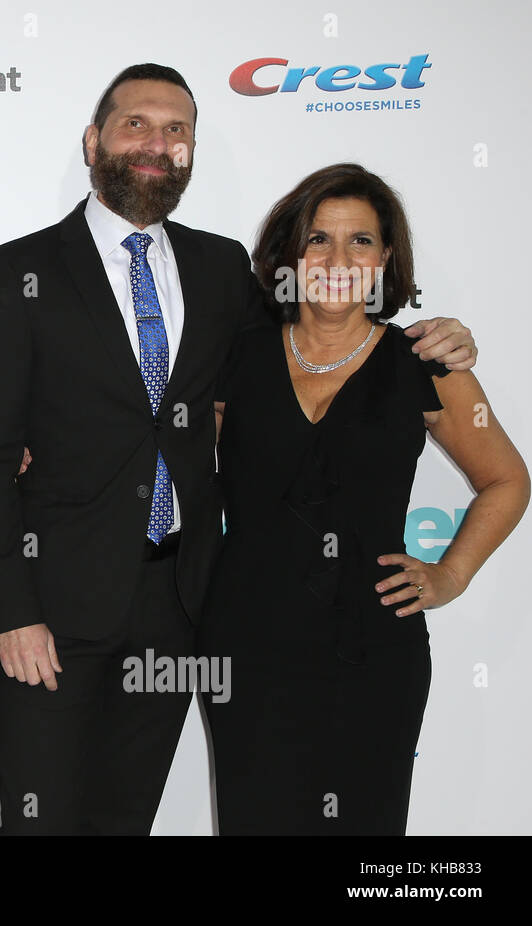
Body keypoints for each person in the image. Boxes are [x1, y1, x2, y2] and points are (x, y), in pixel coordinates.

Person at [0, 63, 478, 834]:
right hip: (55, 611)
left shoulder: (222, 267)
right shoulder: (17, 269)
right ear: (94, 139)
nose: (157, 143)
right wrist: (11, 614)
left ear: (191, 152)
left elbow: (312, 351)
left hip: (185, 607)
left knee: (124, 819)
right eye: (137, 123)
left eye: (177, 131)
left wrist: (441, 336)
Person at [199, 163, 528, 834]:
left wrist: (451, 574)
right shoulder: (234, 358)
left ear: (386, 259)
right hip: (247, 642)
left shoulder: (425, 364)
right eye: (319, 239)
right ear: (290, 251)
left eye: (361, 241)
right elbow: (158, 452)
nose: (338, 259)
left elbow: (508, 480)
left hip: (375, 645)